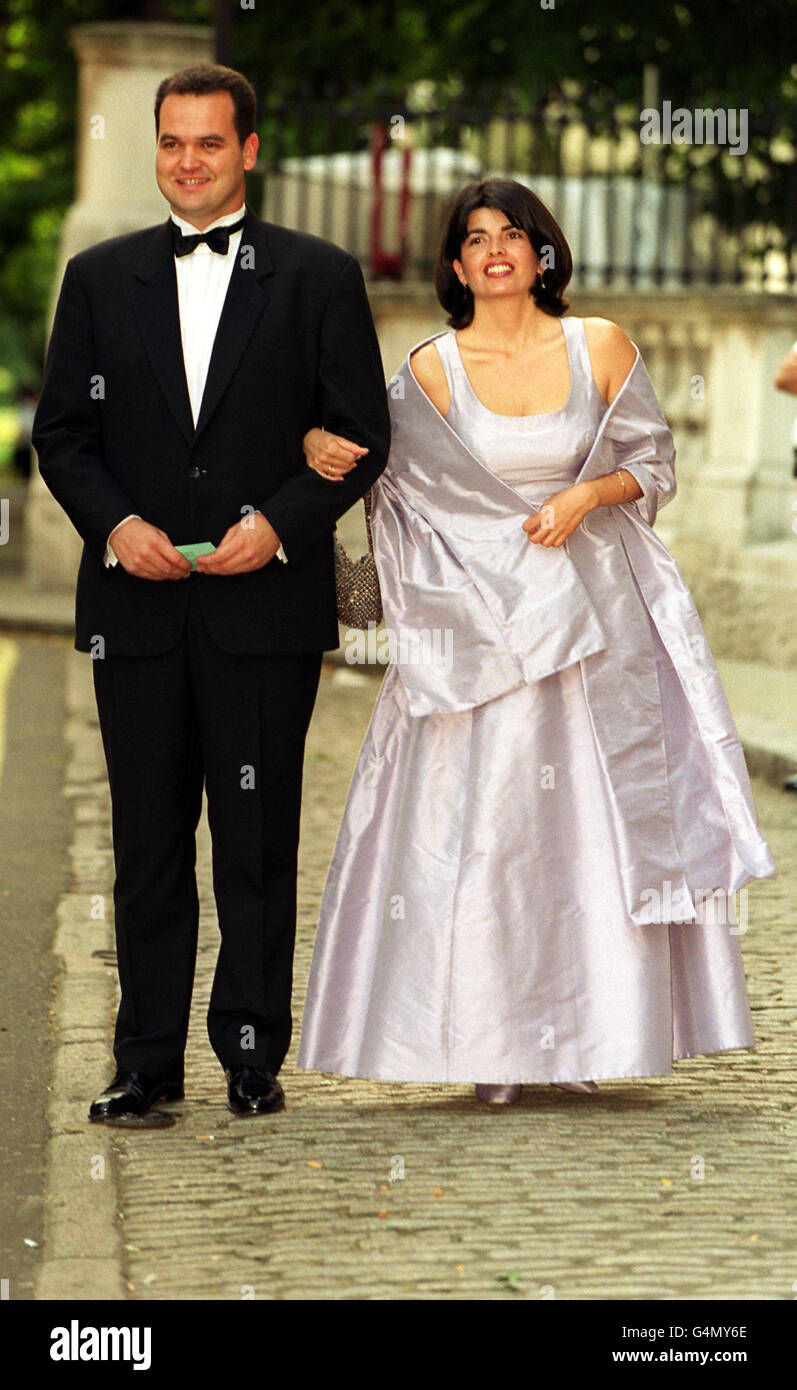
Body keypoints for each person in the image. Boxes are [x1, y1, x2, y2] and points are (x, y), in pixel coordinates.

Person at [297, 178, 776, 1104]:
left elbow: (653, 464)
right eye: (473, 239)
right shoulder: (430, 369)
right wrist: (320, 444)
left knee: (592, 836)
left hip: (597, 629)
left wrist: (583, 496)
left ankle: (597, 1036)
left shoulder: (599, 344)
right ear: (455, 265)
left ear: (542, 251)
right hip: (479, 636)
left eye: (511, 233)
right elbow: (385, 482)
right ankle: (492, 1048)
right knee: (487, 838)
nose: (494, 250)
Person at [32, 63, 390, 1124]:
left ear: (247, 150)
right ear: (157, 149)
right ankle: (144, 1062)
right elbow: (63, 435)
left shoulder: (319, 276)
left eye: (208, 142)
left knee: (255, 841)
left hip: (261, 613)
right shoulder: (98, 279)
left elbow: (359, 435)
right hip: (134, 612)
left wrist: (276, 527)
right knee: (145, 849)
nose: (188, 161)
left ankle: (249, 1052)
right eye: (171, 143)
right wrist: (117, 527)